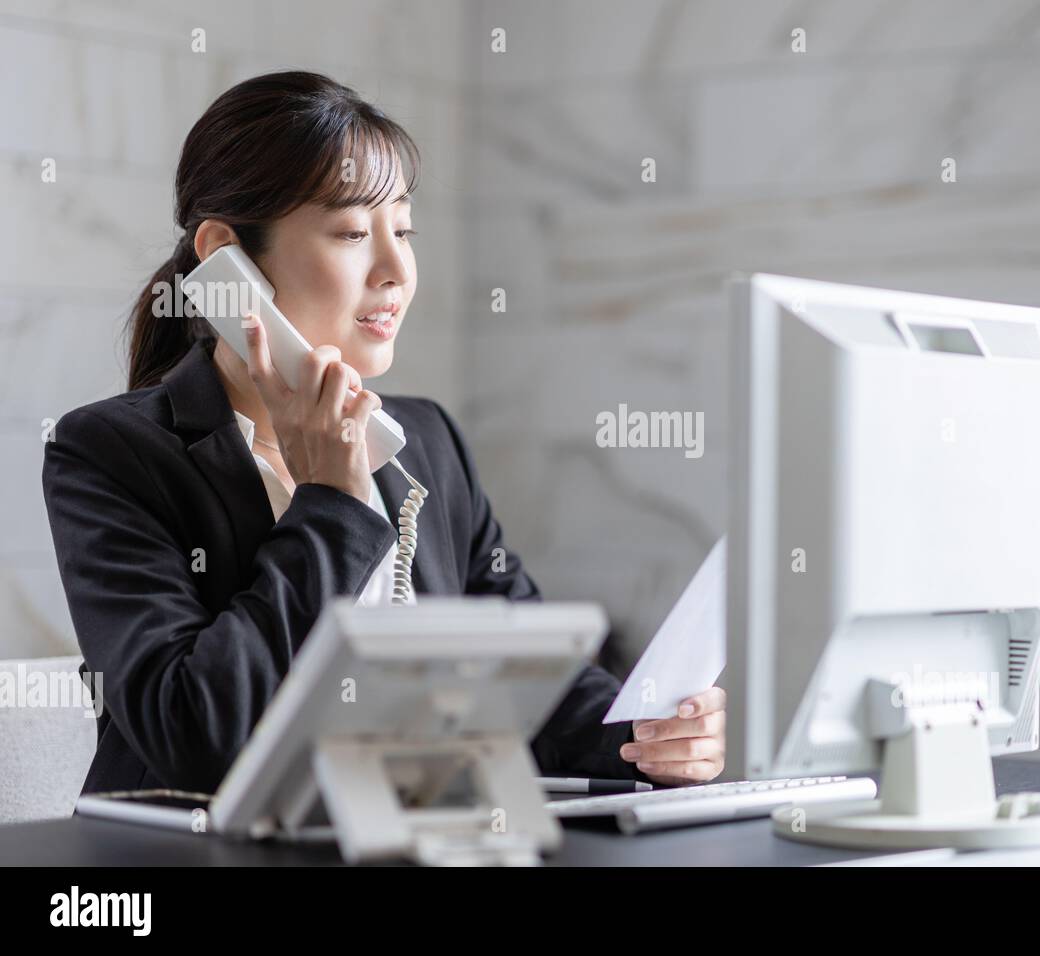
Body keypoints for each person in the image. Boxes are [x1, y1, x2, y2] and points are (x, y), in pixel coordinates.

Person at [41, 71, 725, 796]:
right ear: (226, 260)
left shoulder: (424, 440)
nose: (396, 270)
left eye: (402, 230)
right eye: (351, 233)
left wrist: (647, 736)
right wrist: (330, 503)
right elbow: (198, 730)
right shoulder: (111, 455)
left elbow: (535, 683)